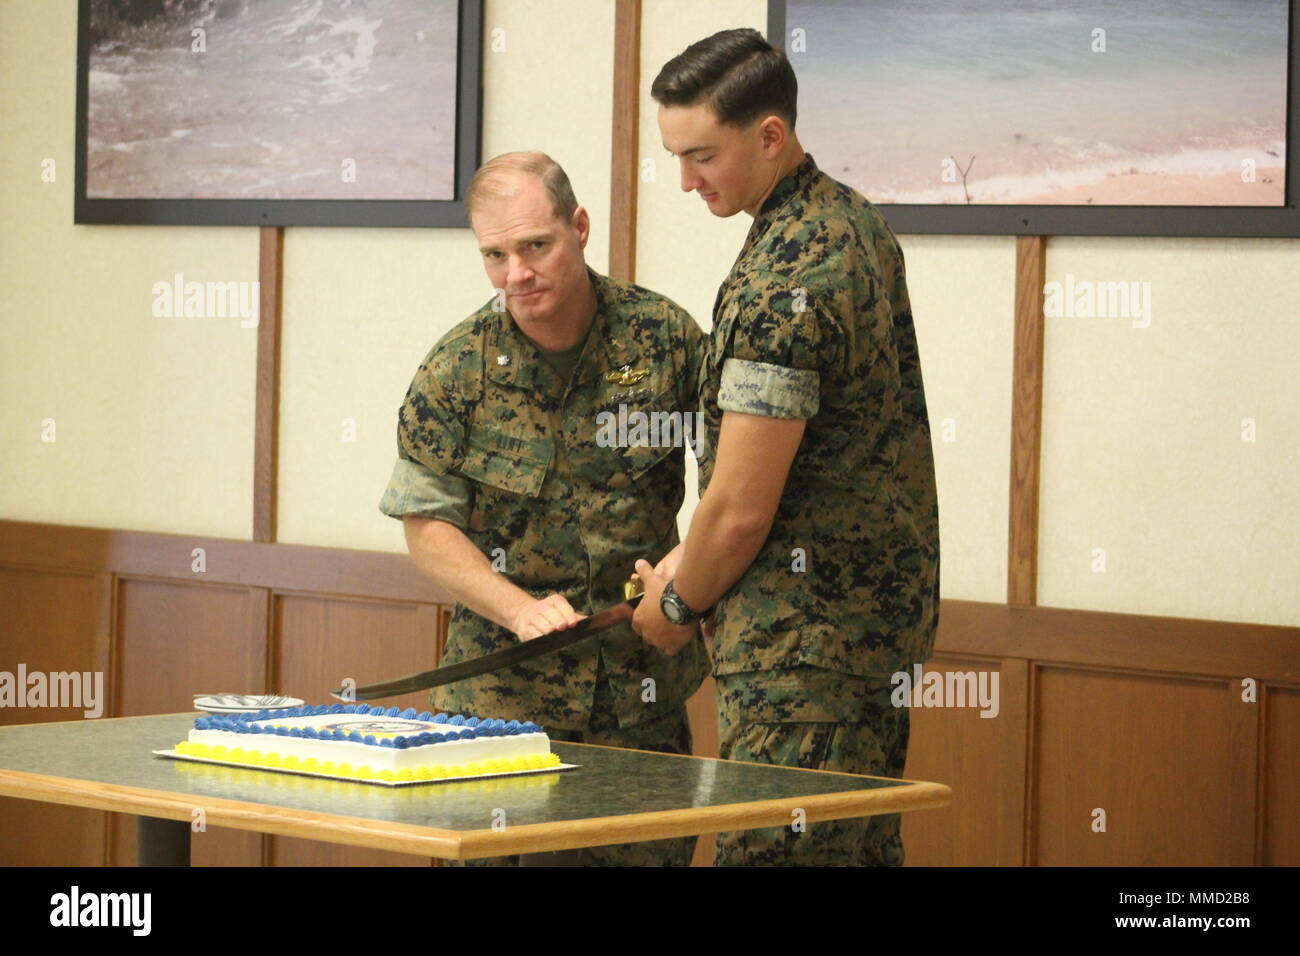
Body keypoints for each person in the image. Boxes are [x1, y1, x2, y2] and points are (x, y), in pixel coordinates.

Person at [632, 28, 941, 867]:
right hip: (864, 641)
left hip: (800, 658)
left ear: (770, 135)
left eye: (701, 156)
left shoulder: (784, 277)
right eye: (673, 156)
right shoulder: (854, 225)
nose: (686, 181)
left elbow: (738, 510)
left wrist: (672, 606)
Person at [380, 151, 709, 866]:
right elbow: (427, 526)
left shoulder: (666, 343)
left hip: (638, 700)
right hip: (498, 712)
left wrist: (685, 578)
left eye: (536, 246)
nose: (516, 275)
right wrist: (517, 609)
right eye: (494, 255)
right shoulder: (455, 370)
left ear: (580, 227)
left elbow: (733, 486)